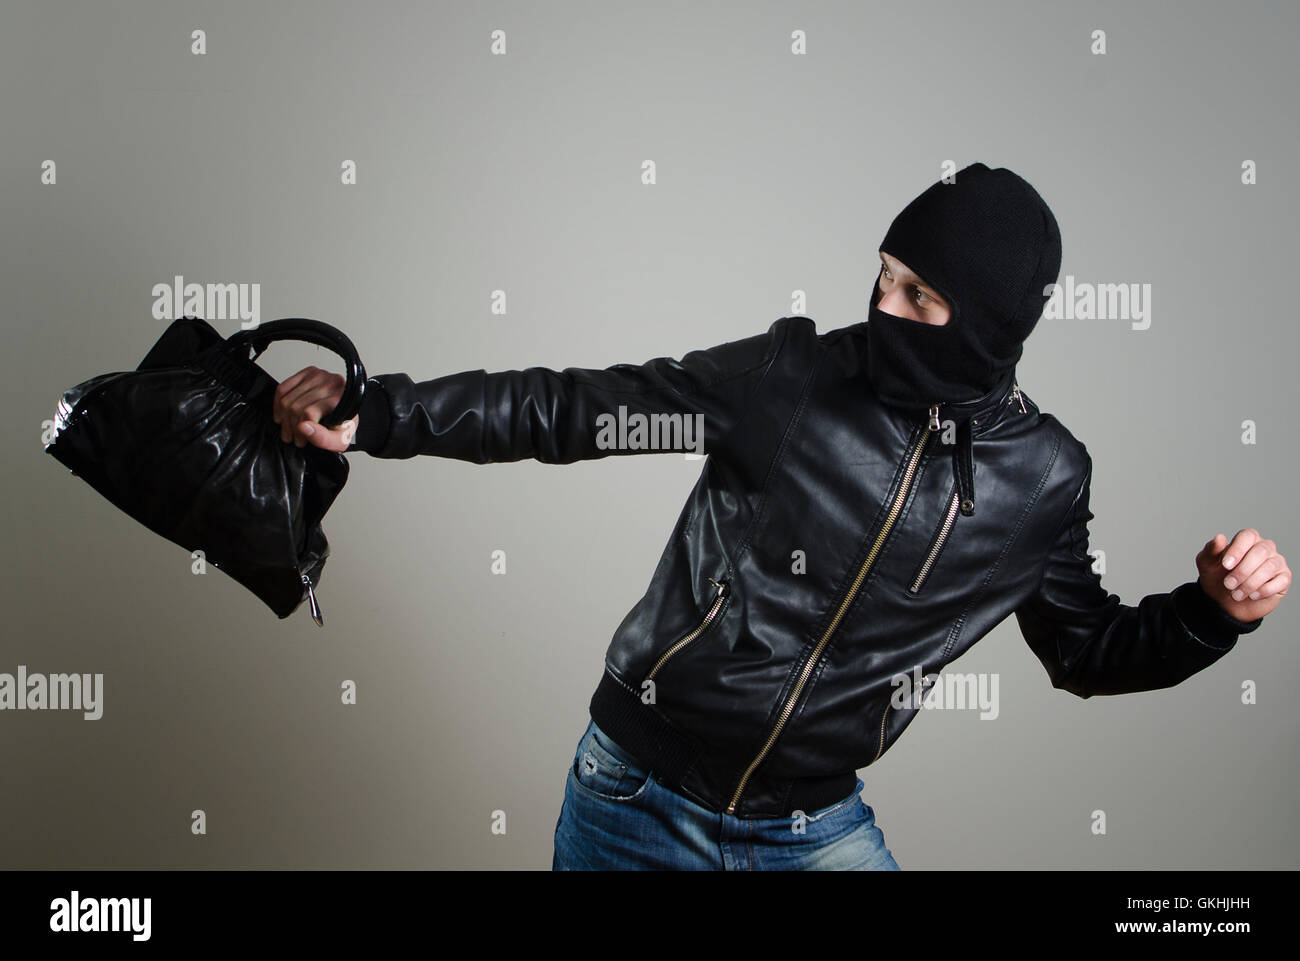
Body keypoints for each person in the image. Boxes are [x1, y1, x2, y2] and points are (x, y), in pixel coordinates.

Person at [271, 163, 1289, 870]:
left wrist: (1212, 612)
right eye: (884, 276)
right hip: (635, 793)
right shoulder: (792, 375)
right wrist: (383, 414)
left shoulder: (1040, 480)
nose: (885, 309)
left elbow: (1085, 649)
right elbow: (577, 408)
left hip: (810, 829)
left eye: (921, 296)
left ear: (987, 324)